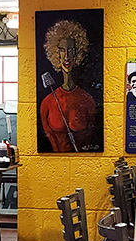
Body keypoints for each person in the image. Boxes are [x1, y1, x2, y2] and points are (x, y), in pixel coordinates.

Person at [40, 19, 96, 152]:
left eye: (70, 50)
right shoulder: (47, 103)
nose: (66, 56)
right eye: (62, 50)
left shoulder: (87, 101)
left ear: (77, 53)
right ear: (56, 54)